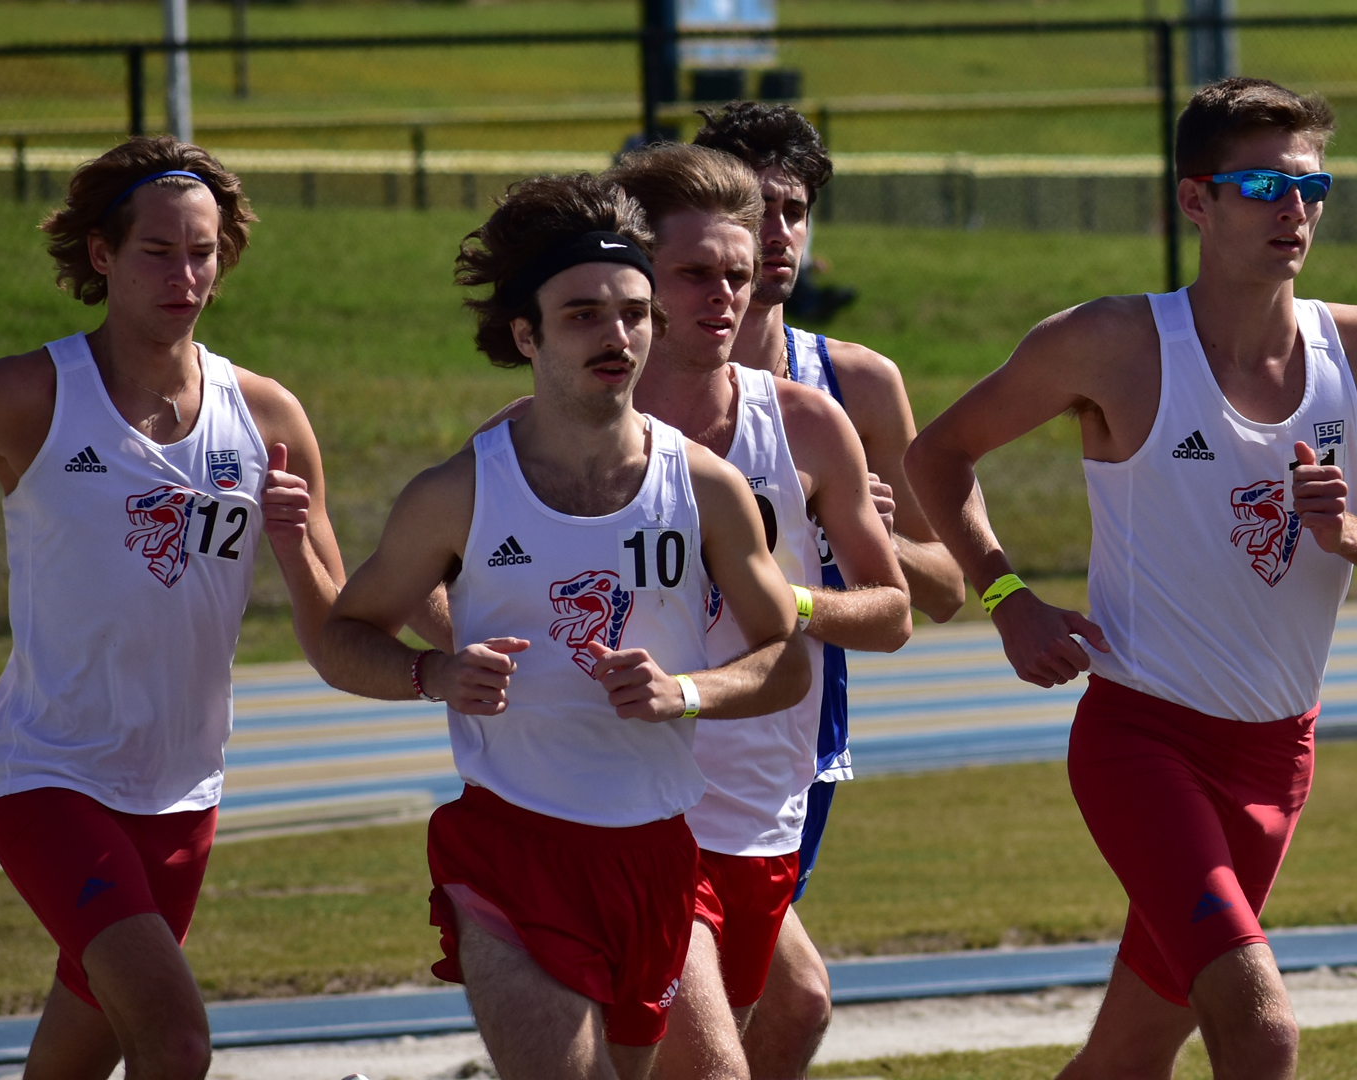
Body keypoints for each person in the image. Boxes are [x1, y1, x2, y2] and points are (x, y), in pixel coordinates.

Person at [906, 78, 1357, 1080]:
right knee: (1262, 1028)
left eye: (1310, 186)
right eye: (1261, 186)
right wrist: (1004, 599)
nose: (1294, 209)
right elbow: (936, 456)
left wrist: (1353, 537)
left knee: (1126, 1056)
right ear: (1195, 201)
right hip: (1145, 741)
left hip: (1281, 756)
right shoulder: (1112, 342)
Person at [316, 173, 808, 1080]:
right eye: (582, 314)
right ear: (525, 335)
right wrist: (432, 675)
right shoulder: (458, 493)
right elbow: (343, 636)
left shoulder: (705, 490)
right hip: (513, 851)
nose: (616, 336)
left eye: (633, 311)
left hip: (661, 849)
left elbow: (786, 661)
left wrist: (688, 691)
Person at [471, 142, 911, 1080]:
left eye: (738, 275)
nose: (723, 298)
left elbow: (893, 614)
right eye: (693, 274)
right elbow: (434, 580)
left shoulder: (803, 421)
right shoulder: (530, 442)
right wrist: (477, 654)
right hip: (630, 803)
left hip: (766, 806)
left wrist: (773, 600)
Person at [0, 136, 346, 1079]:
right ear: (103, 256)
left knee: (76, 1057)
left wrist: (294, 547)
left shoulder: (267, 419)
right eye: (159, 251)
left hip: (184, 790)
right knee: (177, 1038)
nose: (186, 275)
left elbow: (335, 630)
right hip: (49, 774)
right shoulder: (29, 396)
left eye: (204, 253)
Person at [692, 100, 968, 1073]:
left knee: (775, 1007)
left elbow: (939, 590)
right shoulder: (637, 371)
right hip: (659, 733)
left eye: (794, 208)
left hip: (795, 744)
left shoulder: (854, 386)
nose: (775, 233)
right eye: (751, 206)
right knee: (762, 1000)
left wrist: (873, 538)